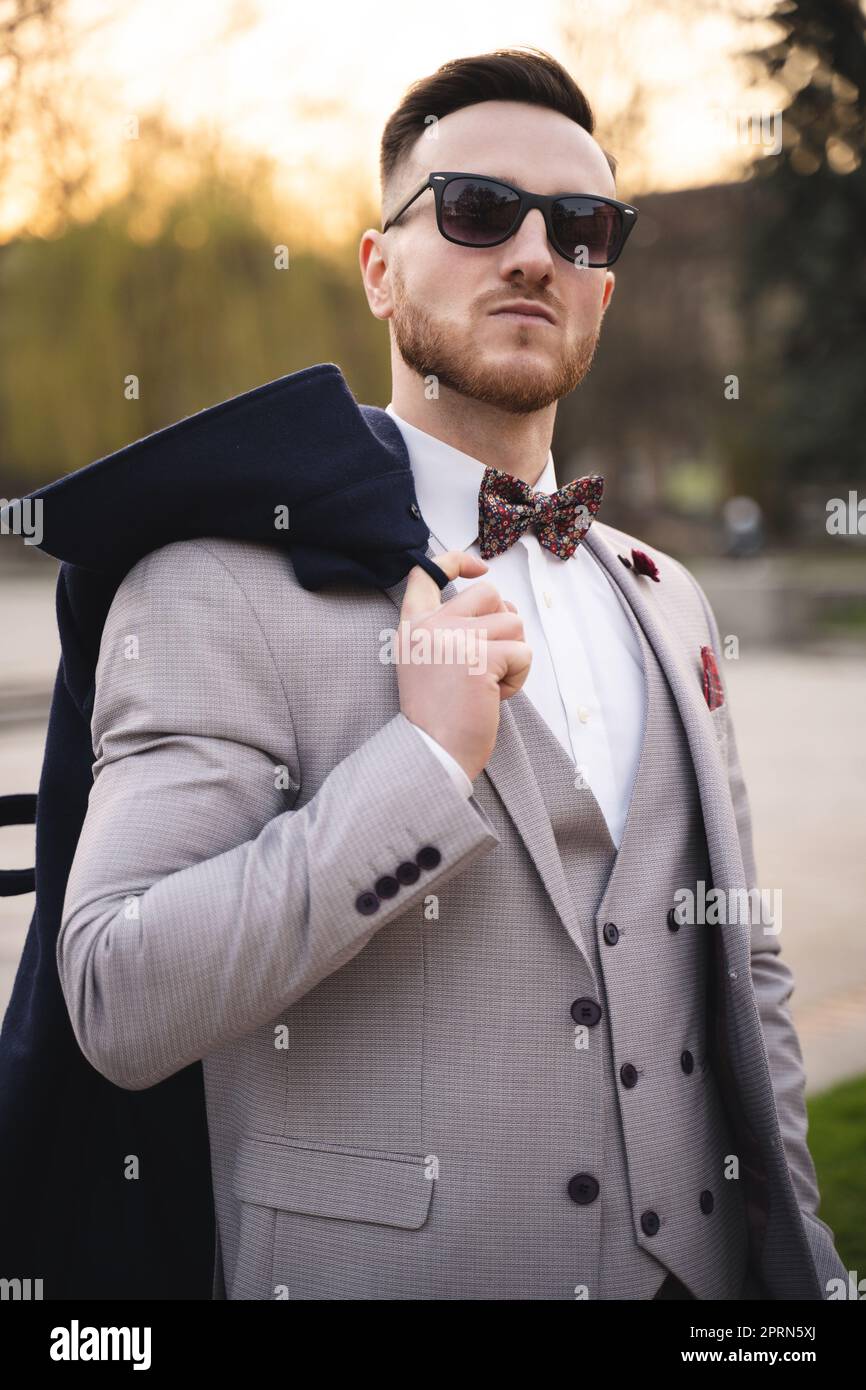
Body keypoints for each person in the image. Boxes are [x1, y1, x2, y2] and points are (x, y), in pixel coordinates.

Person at [56, 46, 845, 1300]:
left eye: (581, 228)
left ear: (603, 287)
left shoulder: (669, 597)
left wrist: (799, 1268)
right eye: (479, 211)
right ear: (379, 268)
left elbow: (743, 971)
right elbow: (114, 992)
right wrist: (420, 766)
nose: (535, 253)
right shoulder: (211, 581)